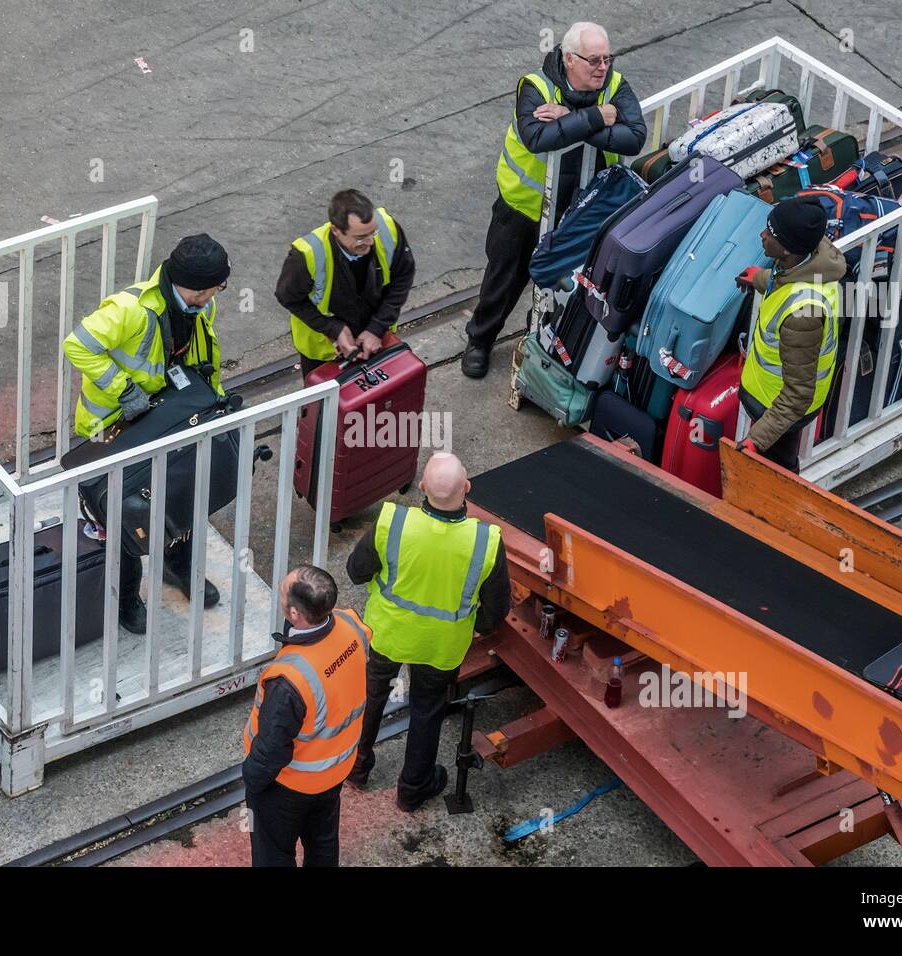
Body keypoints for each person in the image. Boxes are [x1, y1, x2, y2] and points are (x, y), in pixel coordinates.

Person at [62, 234, 232, 629]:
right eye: (211, 289)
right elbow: (77, 345)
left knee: (179, 496)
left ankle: (179, 567)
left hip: (165, 420)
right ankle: (125, 597)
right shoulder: (130, 309)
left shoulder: (199, 305)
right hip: (113, 428)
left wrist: (215, 401)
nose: (214, 297)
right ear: (192, 284)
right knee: (121, 515)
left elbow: (200, 358)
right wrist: (123, 389)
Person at [461, 21, 646, 379]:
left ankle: (541, 342)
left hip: (580, 214)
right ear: (569, 59)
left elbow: (634, 138)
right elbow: (537, 138)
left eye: (608, 58)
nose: (603, 67)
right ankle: (479, 342)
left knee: (564, 287)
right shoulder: (535, 87)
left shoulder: (616, 86)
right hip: (523, 208)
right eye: (594, 60)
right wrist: (595, 118)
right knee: (503, 279)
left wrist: (575, 121)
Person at [344, 453, 511, 810]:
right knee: (426, 710)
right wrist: (471, 625)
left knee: (371, 697)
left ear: (421, 487)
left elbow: (356, 570)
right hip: (441, 647)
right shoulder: (486, 542)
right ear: (466, 488)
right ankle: (412, 789)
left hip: (387, 634)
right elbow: (495, 613)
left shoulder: (393, 522)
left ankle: (356, 768)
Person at [241, 566, 370, 867]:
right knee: (323, 843)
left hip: (288, 784)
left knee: (273, 853)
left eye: (283, 592)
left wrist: (252, 779)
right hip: (335, 771)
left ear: (295, 614)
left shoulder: (289, 678)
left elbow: (273, 747)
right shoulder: (350, 624)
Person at [736, 195, 846, 473]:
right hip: (772, 399)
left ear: (787, 250)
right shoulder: (808, 259)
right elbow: (786, 280)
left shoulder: (803, 314)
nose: (762, 235)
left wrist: (756, 441)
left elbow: (797, 396)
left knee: (776, 472)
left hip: (778, 411)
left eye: (770, 233)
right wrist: (760, 278)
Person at [275, 189, 416, 379]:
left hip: (375, 338)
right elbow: (288, 298)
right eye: (360, 238)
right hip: (323, 351)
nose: (370, 242)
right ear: (336, 230)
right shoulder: (306, 256)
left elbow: (403, 276)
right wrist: (333, 329)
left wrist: (377, 327)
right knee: (325, 406)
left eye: (372, 233)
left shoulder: (388, 229)